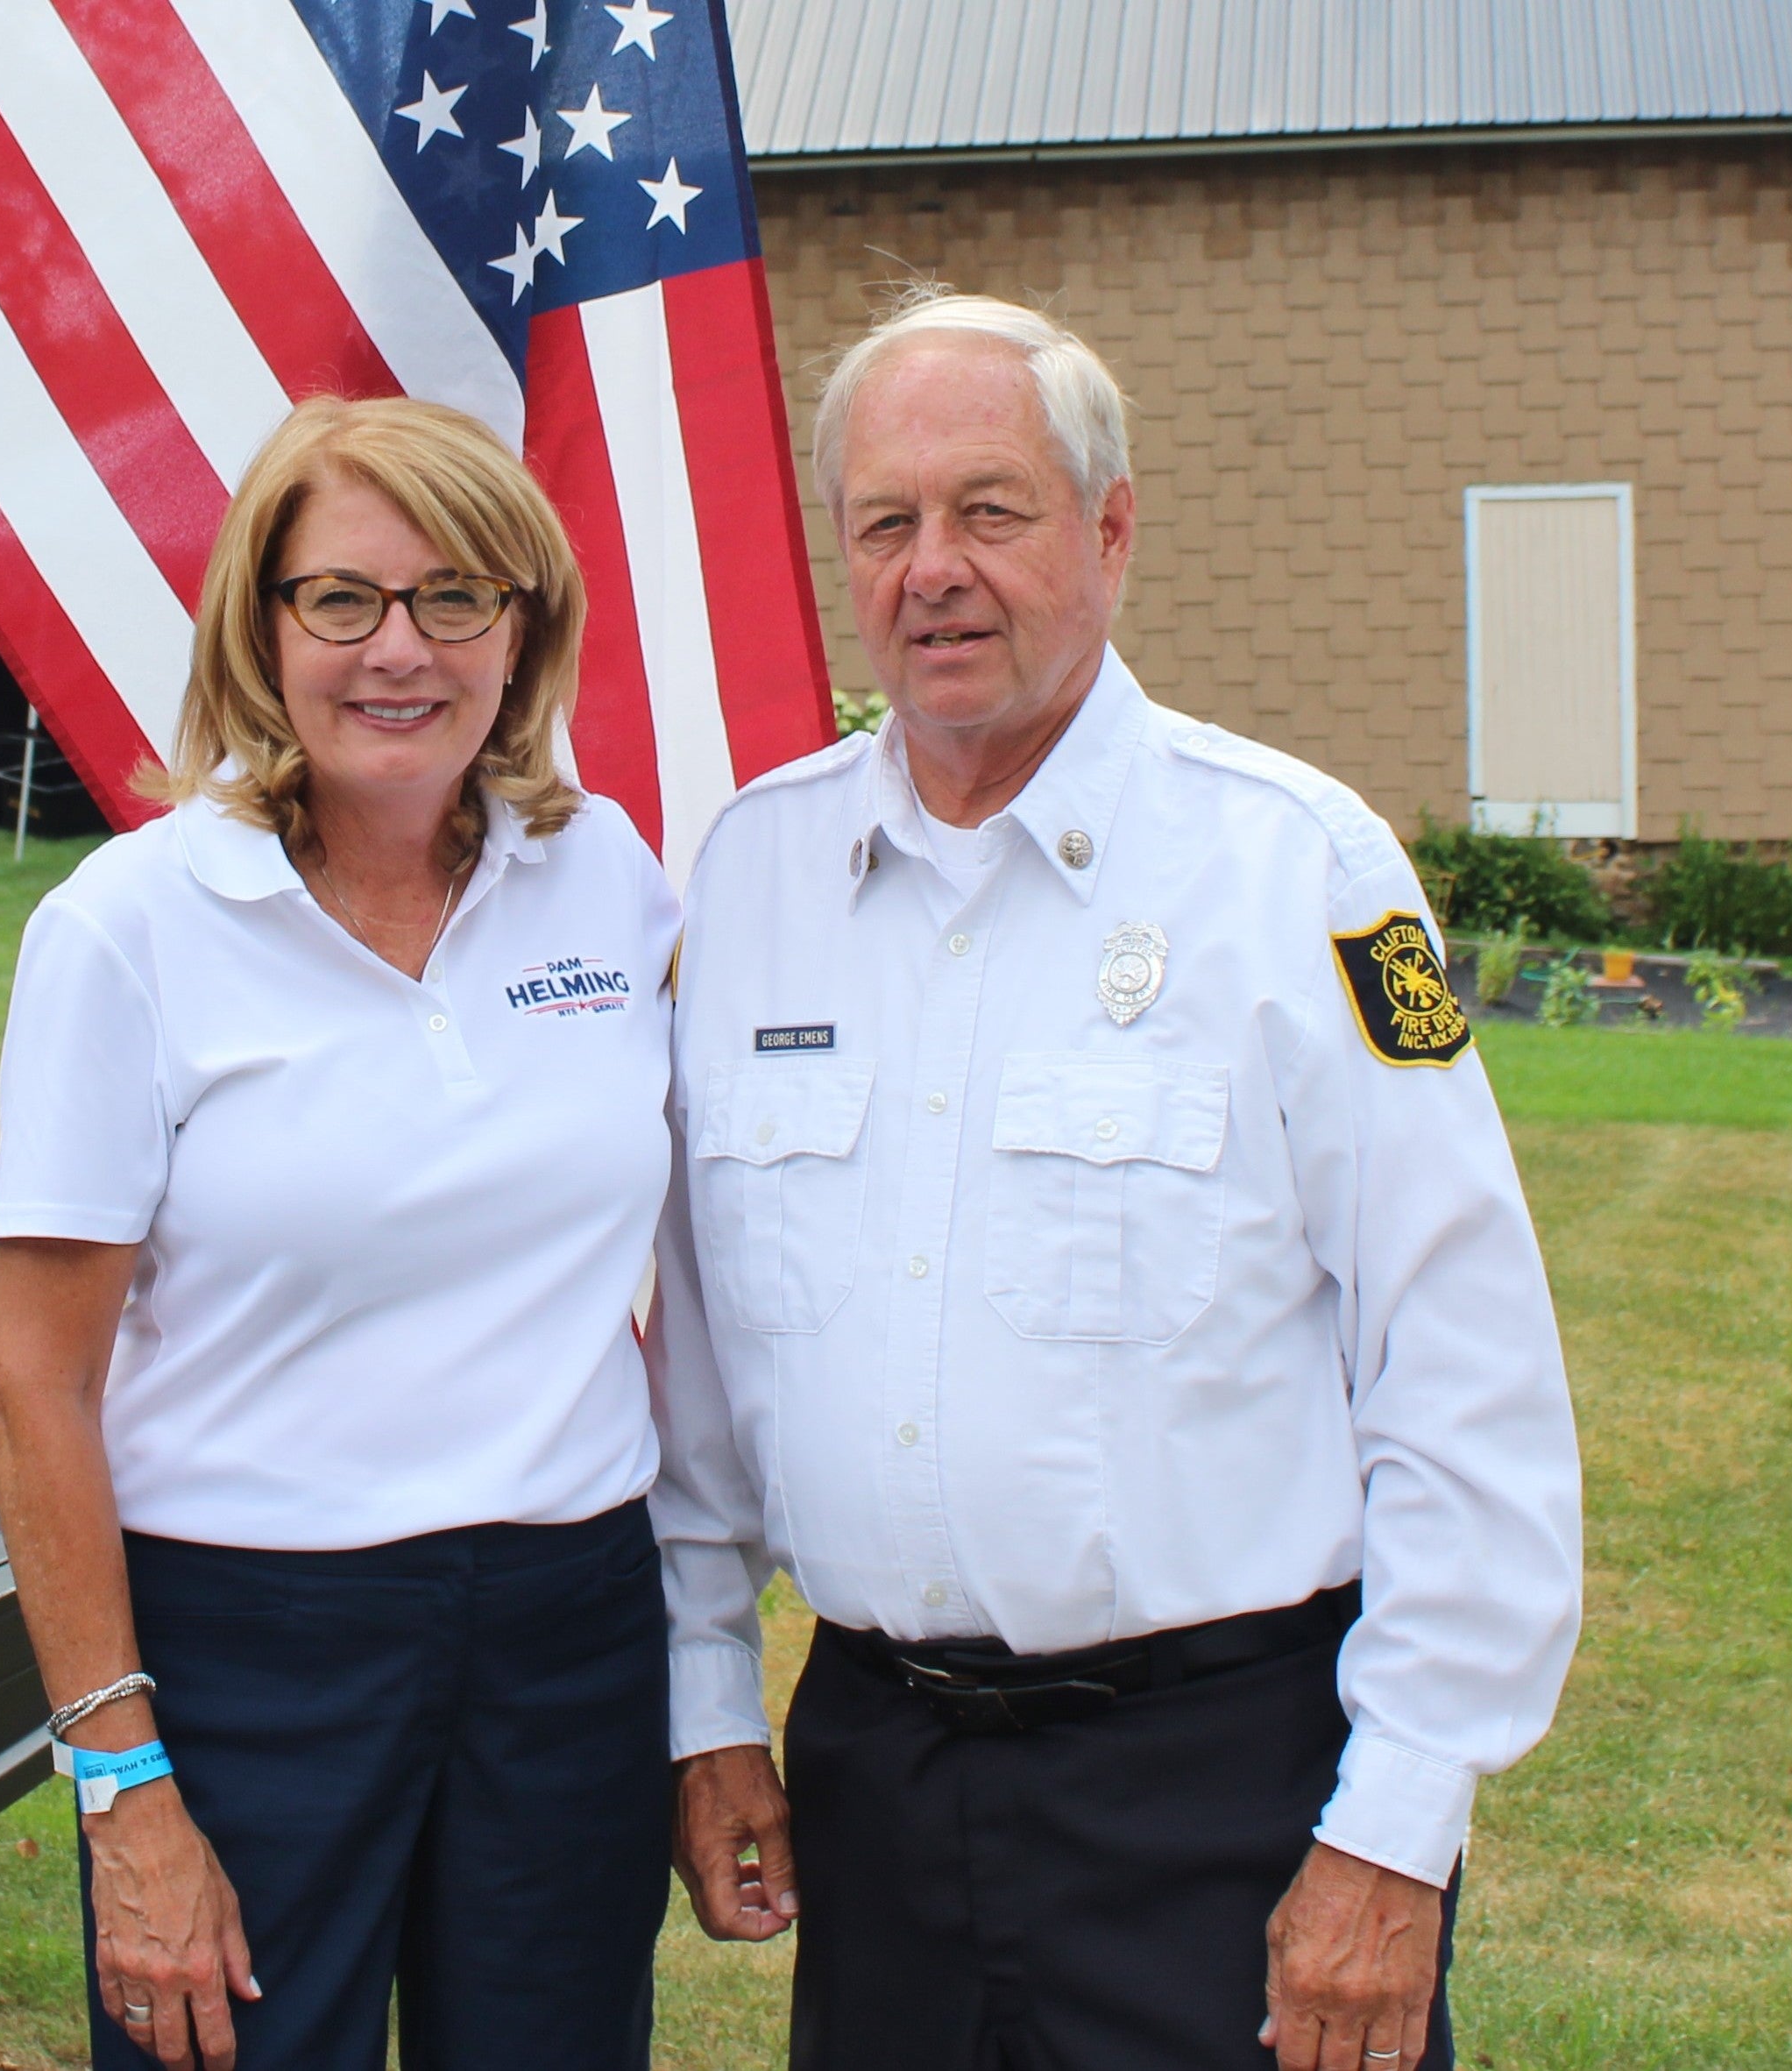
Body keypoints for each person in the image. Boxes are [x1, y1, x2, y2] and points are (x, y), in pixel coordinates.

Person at [650, 288, 1587, 2071]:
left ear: (1110, 528)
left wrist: (1395, 1833)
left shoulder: (1298, 871)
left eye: (989, 510)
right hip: (875, 1786)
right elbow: (698, 1378)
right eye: (884, 521)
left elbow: (1461, 1377)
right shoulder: (756, 881)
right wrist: (707, 1704)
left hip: (1219, 1795)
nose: (934, 568)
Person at [0, 395, 680, 2071]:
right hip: (250, 1653)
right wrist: (121, 1778)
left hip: (570, 1634)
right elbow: (33, 1389)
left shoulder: (606, 878)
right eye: (343, 598)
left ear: (523, 629)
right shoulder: (129, 929)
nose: (399, 650)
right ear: (265, 625)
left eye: (455, 597)